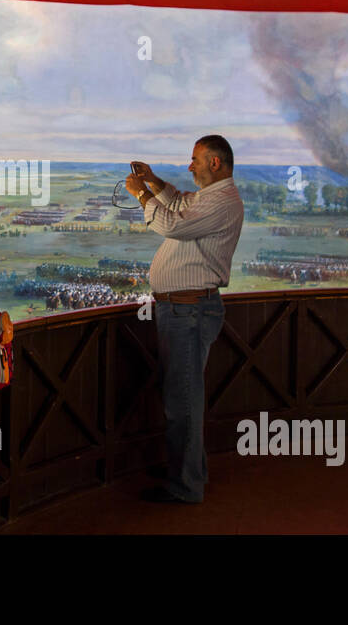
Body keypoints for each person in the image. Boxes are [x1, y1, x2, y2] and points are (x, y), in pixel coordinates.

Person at [126, 135, 244, 504]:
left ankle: (185, 486)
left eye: (194, 160)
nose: (188, 165)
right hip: (182, 309)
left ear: (215, 163)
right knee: (182, 396)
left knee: (183, 401)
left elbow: (173, 225)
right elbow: (179, 204)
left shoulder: (223, 202)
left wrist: (141, 194)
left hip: (188, 310)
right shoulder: (210, 198)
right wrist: (154, 181)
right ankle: (189, 470)